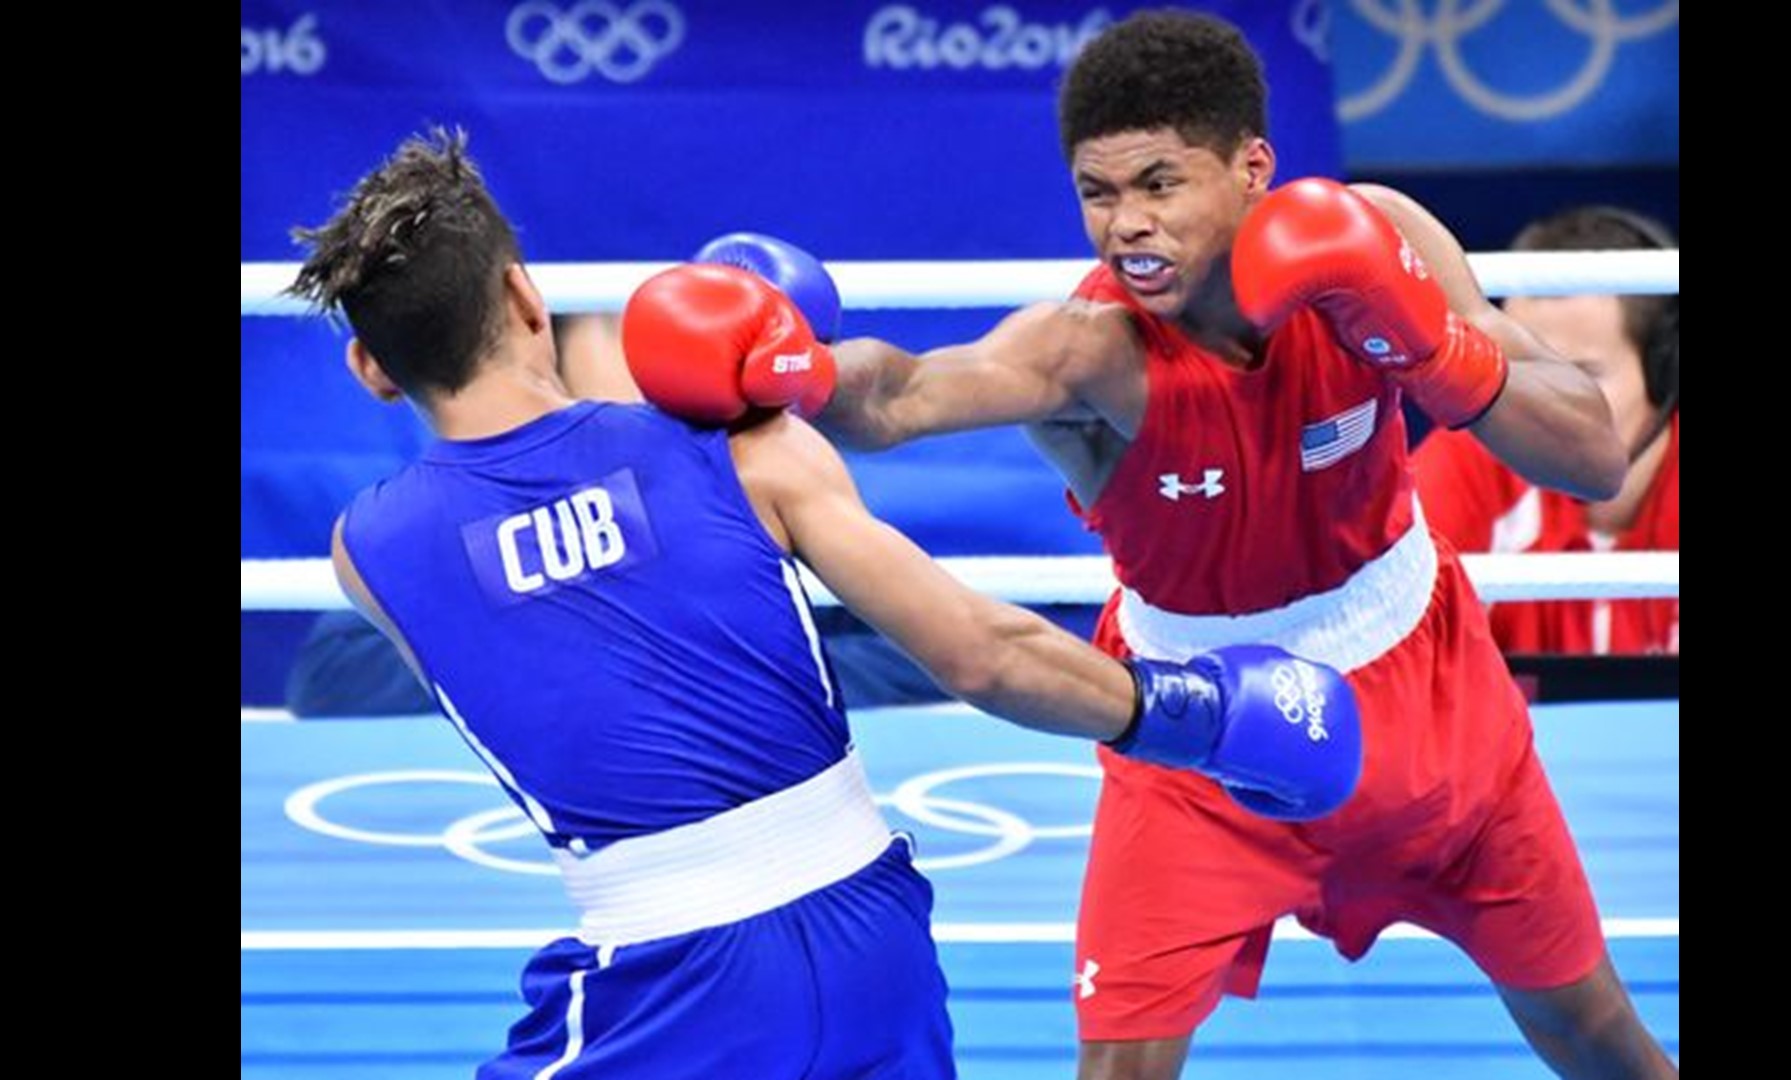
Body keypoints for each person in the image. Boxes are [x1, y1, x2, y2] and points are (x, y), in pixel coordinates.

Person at [286, 129, 1364, 1079]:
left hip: (660, 981)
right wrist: (1200, 714)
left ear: (370, 368)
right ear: (526, 298)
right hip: (870, 937)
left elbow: (538, 576)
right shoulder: (741, 448)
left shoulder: (369, 550)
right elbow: (983, 654)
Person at [728, 10, 1673, 1078]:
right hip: (1199, 733)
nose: (1127, 225)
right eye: (1100, 193)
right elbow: (903, 395)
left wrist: (1432, 347)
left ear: (1252, 166)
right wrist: (791, 369)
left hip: (1431, 696)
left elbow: (1592, 456)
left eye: (1160, 184)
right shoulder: (1091, 350)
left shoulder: (1381, 237)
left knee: (1594, 1036)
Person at [1414, 206, 1679, 655]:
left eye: (1583, 376)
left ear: (1663, 373)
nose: (1544, 404)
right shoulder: (1469, 461)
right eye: (1519, 370)